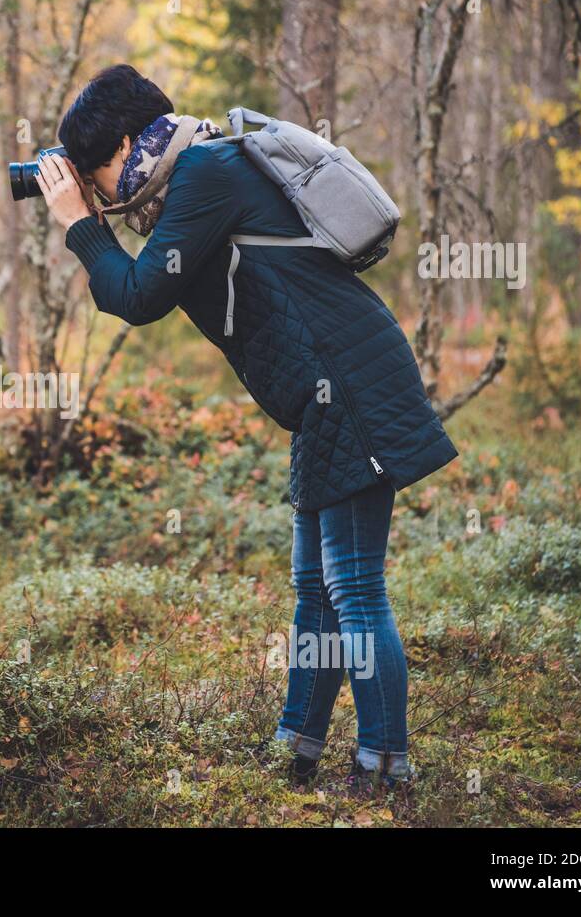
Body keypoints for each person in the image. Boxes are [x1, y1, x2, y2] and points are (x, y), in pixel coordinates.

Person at [36, 64, 458, 789]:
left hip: (349, 383)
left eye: (94, 170)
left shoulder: (207, 172)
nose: (97, 189)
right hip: (325, 395)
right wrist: (93, 222)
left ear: (130, 142)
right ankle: (297, 746)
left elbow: (138, 295)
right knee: (315, 586)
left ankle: (386, 767)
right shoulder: (198, 174)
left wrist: (80, 229)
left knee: (353, 584)